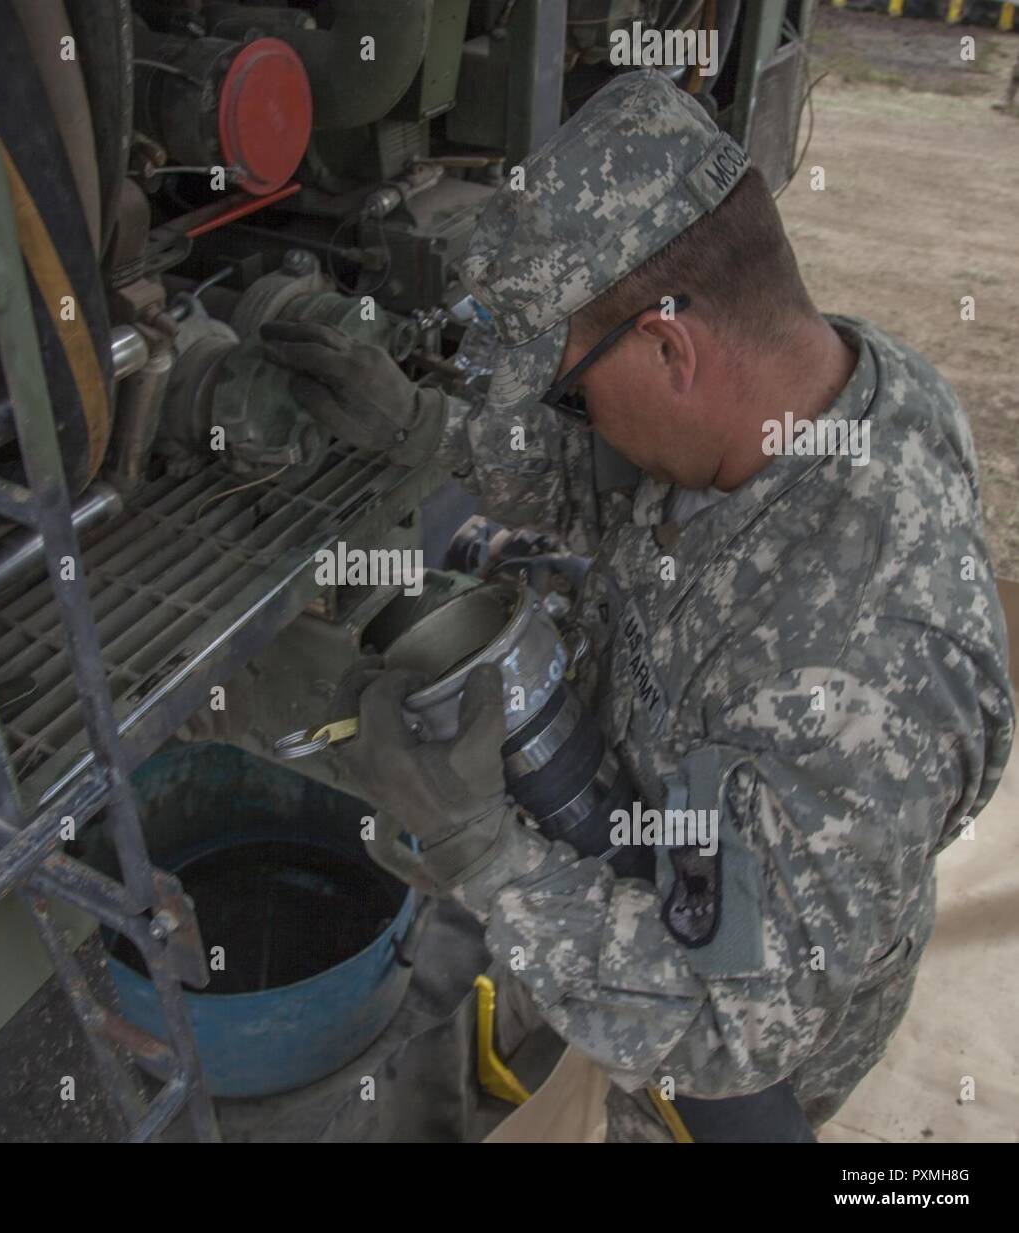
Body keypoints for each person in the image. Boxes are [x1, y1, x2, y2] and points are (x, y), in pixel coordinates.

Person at [260, 69, 1014, 1141]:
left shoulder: (854, 675)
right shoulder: (803, 386)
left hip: (746, 1044)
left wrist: (477, 849)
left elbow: (721, 1032)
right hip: (669, 843)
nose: (575, 421)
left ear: (670, 347)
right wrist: (422, 428)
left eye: (571, 392)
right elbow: (604, 482)